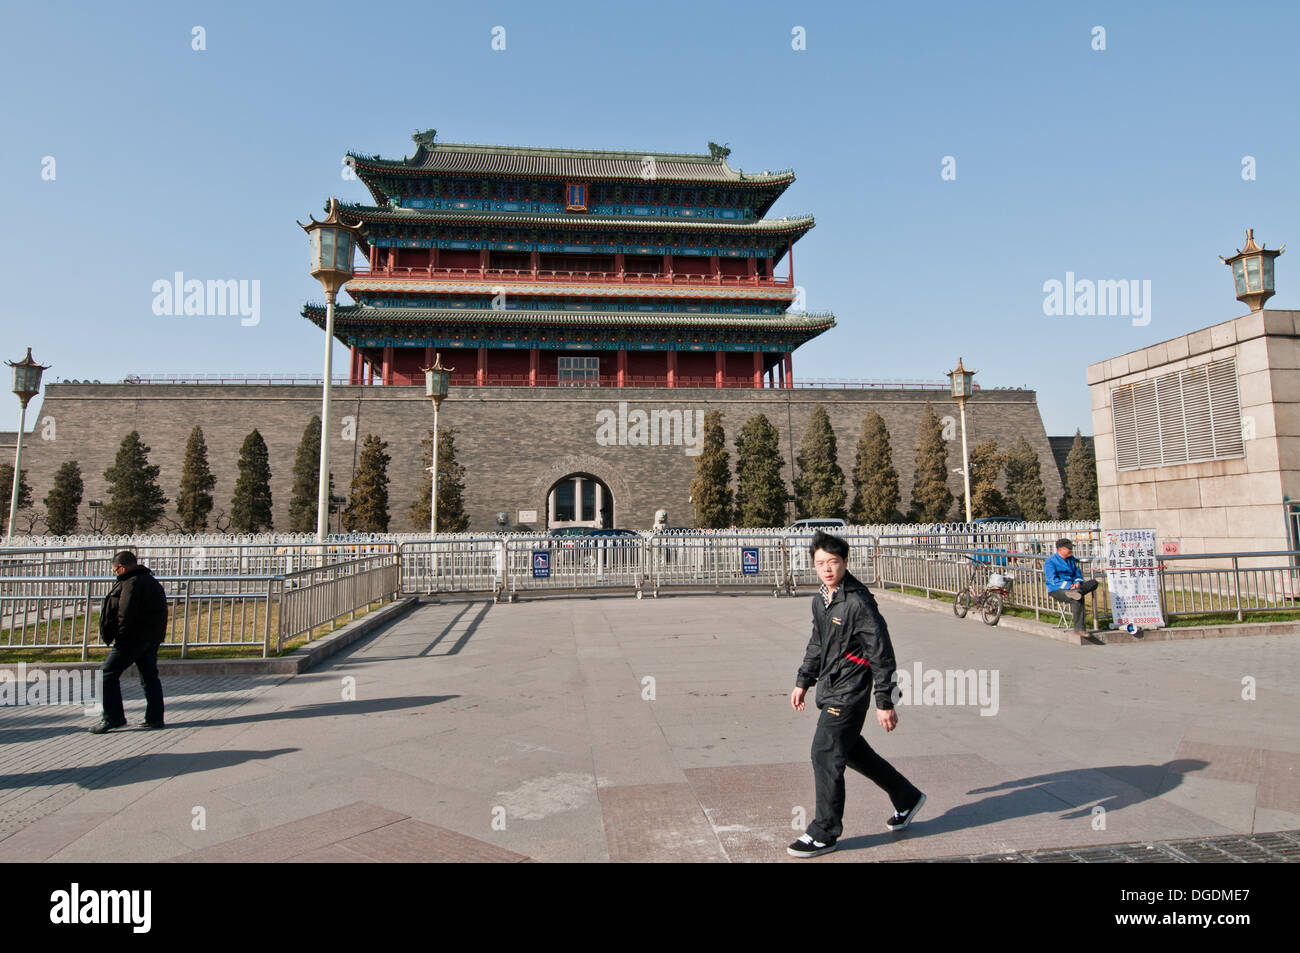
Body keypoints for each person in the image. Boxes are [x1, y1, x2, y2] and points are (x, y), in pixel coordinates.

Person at [788, 531, 925, 858]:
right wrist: (803, 680)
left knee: (824, 752)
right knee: (850, 751)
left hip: (851, 691)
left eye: (833, 562)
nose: (826, 568)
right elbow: (818, 643)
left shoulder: (858, 602)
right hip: (831, 686)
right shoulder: (821, 598)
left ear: (845, 562)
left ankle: (824, 832)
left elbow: (881, 652)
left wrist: (885, 702)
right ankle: (906, 796)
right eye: (820, 563)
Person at [90, 550, 168, 733]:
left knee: (107, 673)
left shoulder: (131, 583)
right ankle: (155, 718)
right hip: (151, 638)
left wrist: (121, 637)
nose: (115, 573)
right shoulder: (151, 581)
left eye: (115, 570)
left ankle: (113, 717)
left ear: (122, 568)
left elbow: (125, 614)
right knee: (149, 677)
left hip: (133, 639)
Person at [1044, 538, 1098, 633]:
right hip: (1057, 589)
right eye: (1068, 548)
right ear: (1060, 549)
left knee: (1093, 583)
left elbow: (1077, 573)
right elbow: (1052, 579)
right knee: (1077, 599)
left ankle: (1077, 592)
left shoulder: (1071, 560)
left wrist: (1077, 581)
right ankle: (1079, 629)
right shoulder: (1050, 562)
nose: (1071, 550)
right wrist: (1069, 586)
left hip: (1074, 588)